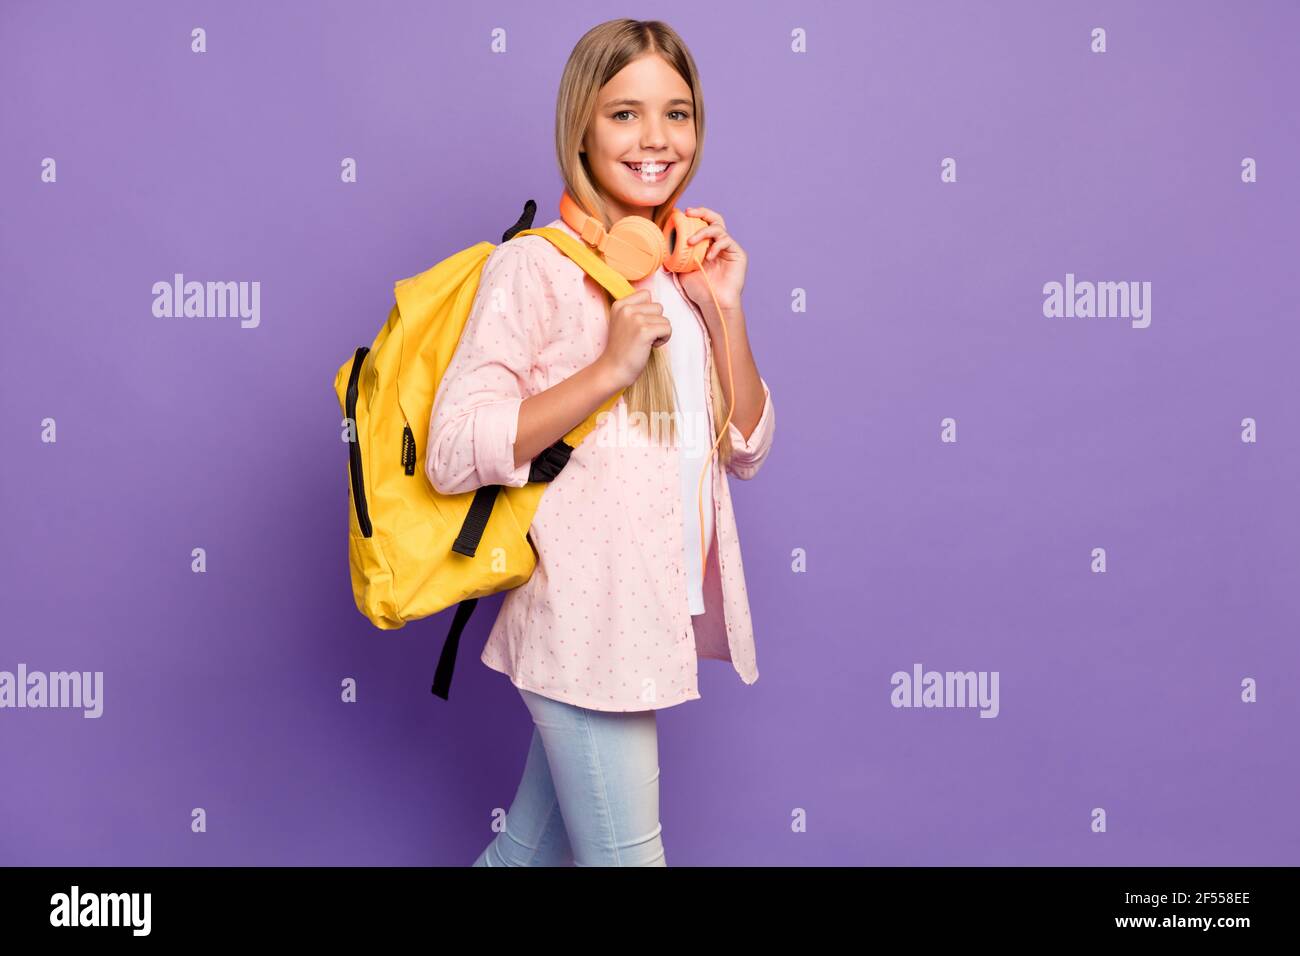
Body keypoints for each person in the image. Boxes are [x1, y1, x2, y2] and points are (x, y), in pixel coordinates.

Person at [426, 18, 776, 867]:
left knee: (526, 858)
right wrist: (604, 372)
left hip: (641, 619)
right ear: (580, 125)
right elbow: (453, 448)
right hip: (585, 621)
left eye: (677, 113)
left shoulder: (684, 276)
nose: (657, 139)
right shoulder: (535, 271)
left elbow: (747, 445)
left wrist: (724, 307)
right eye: (625, 114)